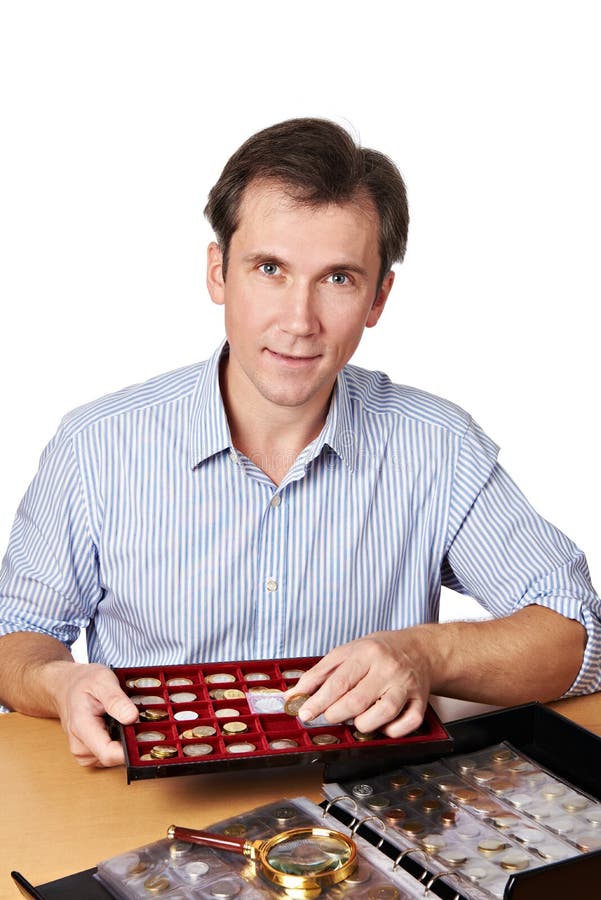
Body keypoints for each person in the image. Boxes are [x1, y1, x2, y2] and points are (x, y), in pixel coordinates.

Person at [0, 118, 599, 768]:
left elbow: (577, 635)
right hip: (140, 809)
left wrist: (424, 654)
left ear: (377, 297)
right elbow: (15, 638)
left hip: (362, 814)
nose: (298, 321)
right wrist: (61, 683)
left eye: (337, 278)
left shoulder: (438, 447)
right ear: (218, 273)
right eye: (269, 269)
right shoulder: (96, 446)